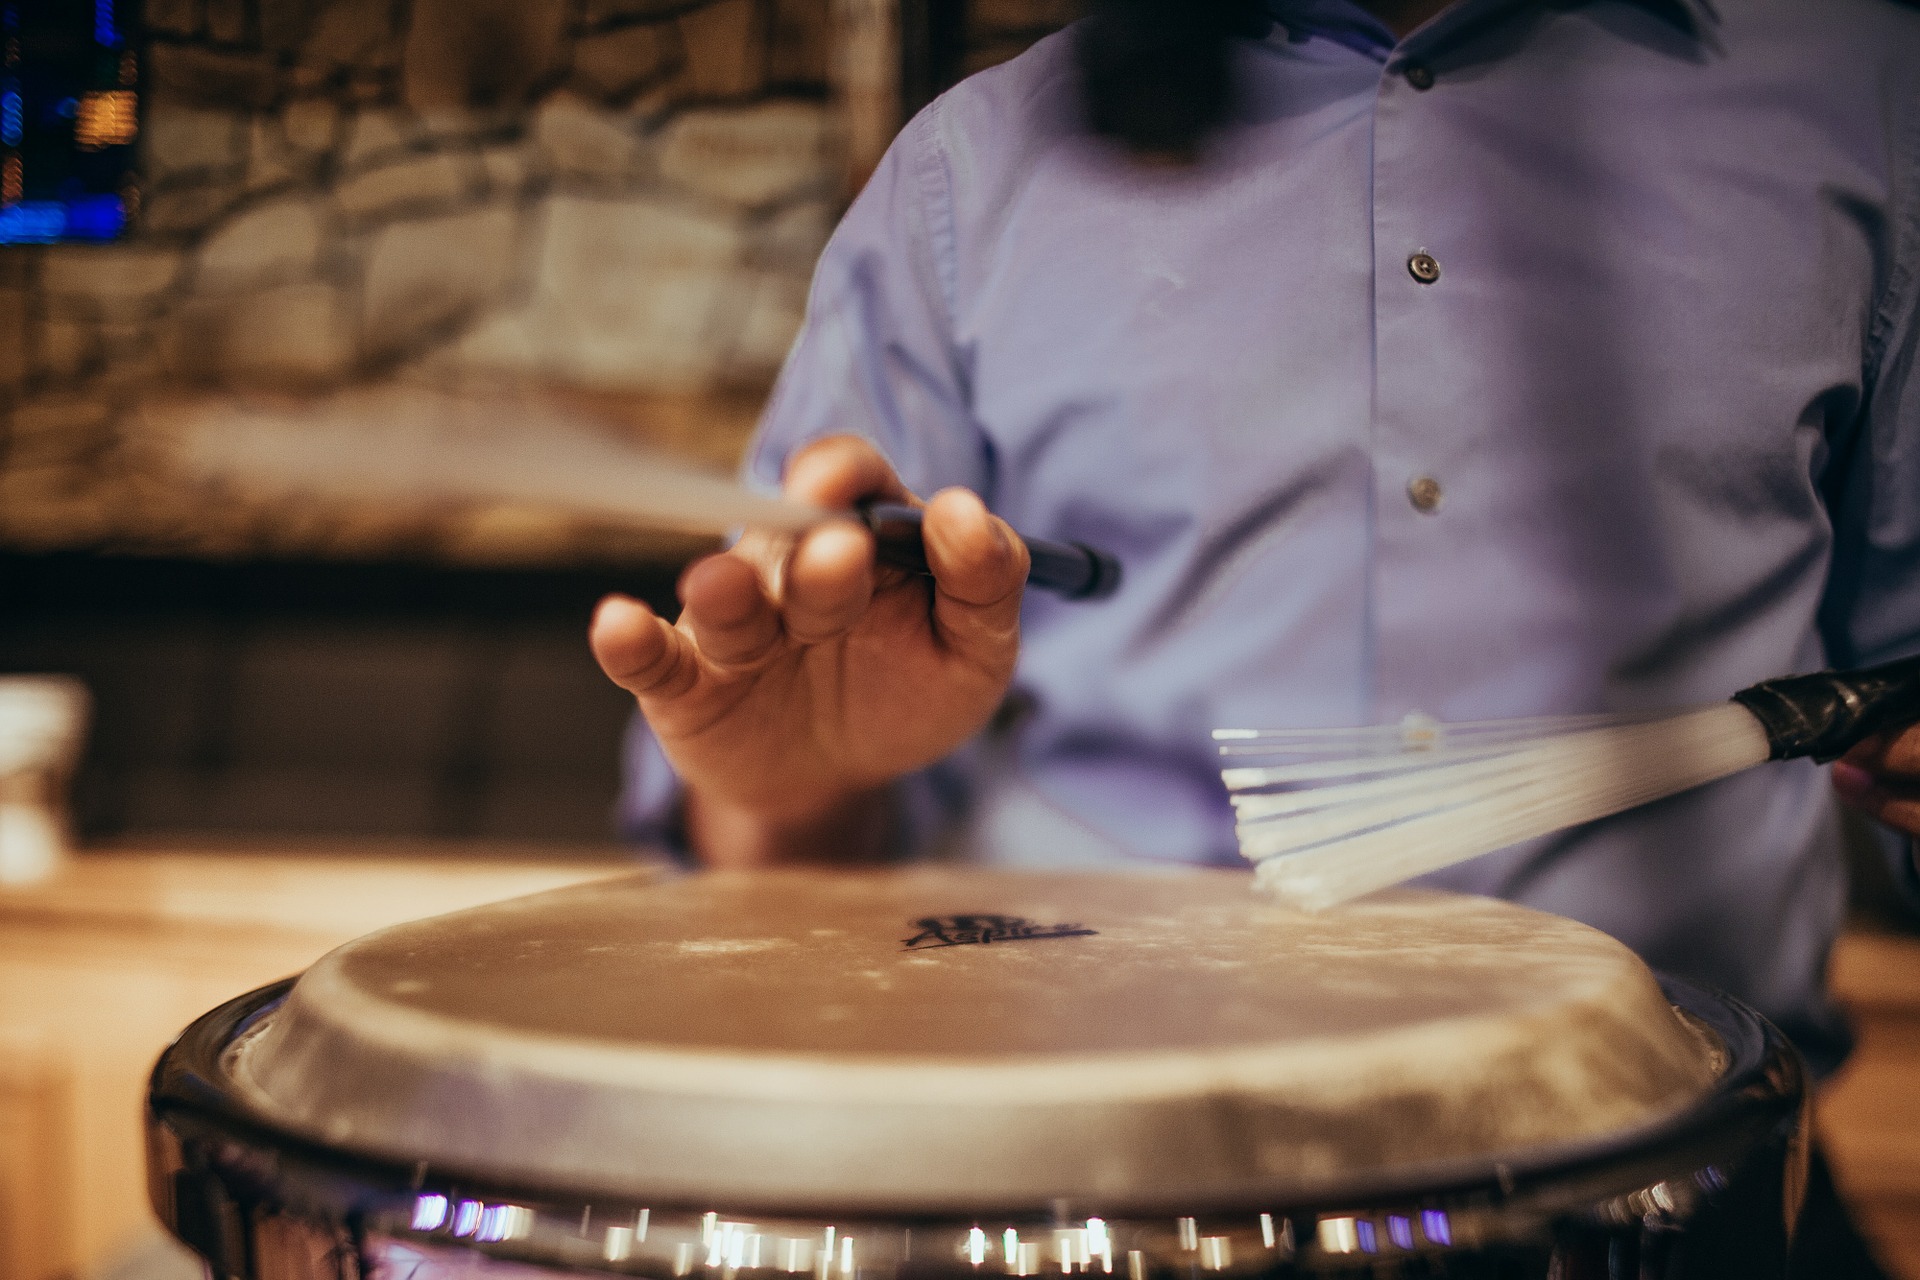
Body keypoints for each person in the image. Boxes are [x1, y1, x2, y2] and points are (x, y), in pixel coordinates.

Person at [591, 0, 1919, 1266]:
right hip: (1062, 1211)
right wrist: (798, 781)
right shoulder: (971, 172)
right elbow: (777, 876)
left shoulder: (1870, 103)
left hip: (1697, 1202)